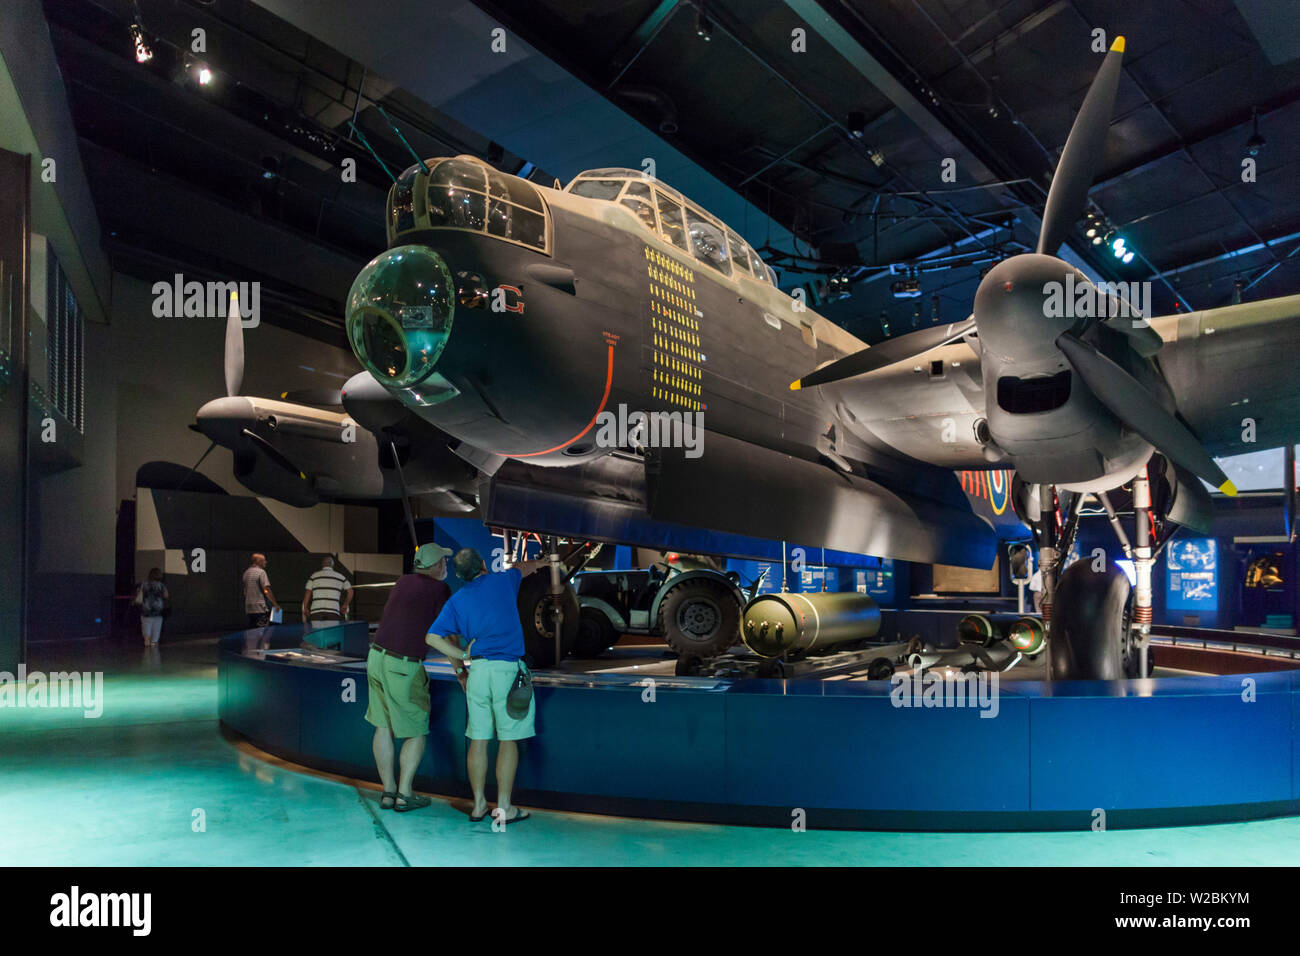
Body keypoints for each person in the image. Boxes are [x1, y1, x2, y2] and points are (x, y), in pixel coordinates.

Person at [426, 548, 550, 825]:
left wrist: (462, 657)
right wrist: (541, 562)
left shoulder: (457, 600)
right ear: (483, 564)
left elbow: (432, 637)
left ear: (459, 575)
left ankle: (479, 804)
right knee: (508, 739)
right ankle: (504, 808)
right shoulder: (503, 581)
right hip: (508, 670)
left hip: (478, 672)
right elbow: (523, 567)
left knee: (478, 739)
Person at [365, 543, 453, 811]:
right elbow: (446, 632)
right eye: (444, 561)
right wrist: (460, 667)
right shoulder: (439, 589)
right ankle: (404, 794)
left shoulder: (402, 582)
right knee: (416, 730)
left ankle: (388, 792)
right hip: (403, 665)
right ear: (437, 565)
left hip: (376, 657)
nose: (446, 565)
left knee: (383, 726)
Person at [303, 556, 353, 623]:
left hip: (316, 611)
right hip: (333, 611)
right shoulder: (341, 577)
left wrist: (305, 608)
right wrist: (345, 605)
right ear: (333, 565)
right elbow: (350, 591)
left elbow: (307, 593)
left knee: (316, 629)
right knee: (332, 630)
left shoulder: (314, 576)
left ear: (322, 564)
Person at [241, 553, 279, 628]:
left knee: (252, 629)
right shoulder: (261, 572)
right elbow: (266, 590)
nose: (266, 562)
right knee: (264, 630)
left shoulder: (246, 573)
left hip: (249, 608)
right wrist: (275, 604)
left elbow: (245, 592)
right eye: (264, 560)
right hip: (261, 608)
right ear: (258, 561)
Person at [135, 568, 169, 647]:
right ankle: (154, 642)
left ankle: (147, 640)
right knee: (156, 628)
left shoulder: (144, 584)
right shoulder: (161, 585)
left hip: (146, 609)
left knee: (146, 626)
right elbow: (166, 595)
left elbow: (138, 593)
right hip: (158, 611)